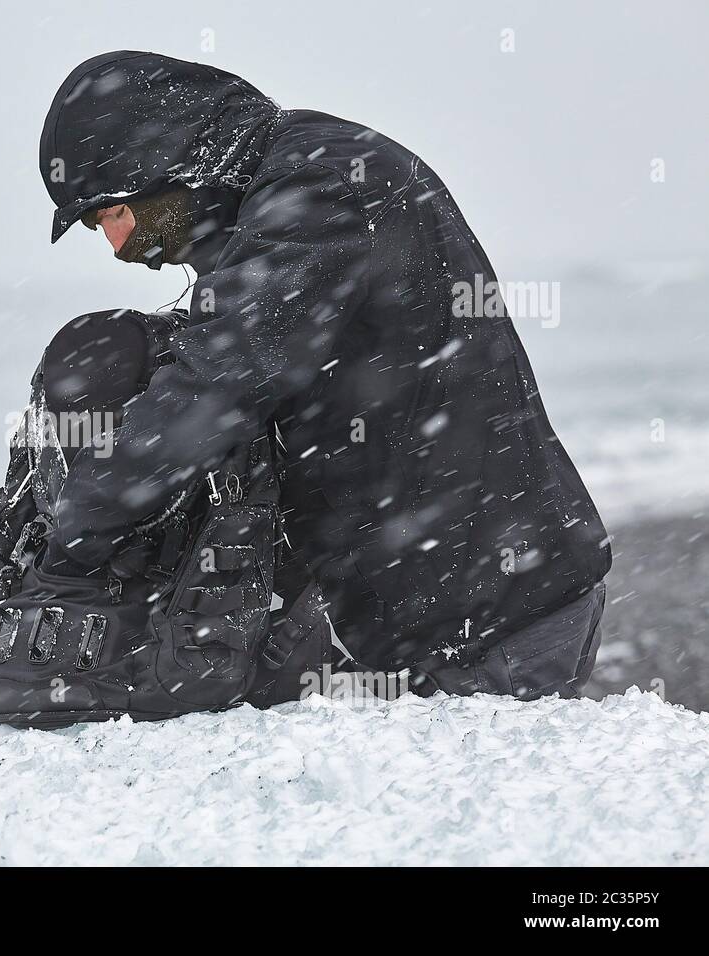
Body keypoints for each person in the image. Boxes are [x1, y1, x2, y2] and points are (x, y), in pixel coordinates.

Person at [38, 51, 610, 699]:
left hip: (489, 621)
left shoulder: (322, 190)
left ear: (167, 161)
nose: (120, 247)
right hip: (458, 600)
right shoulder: (298, 179)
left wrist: (74, 535)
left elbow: (215, 385)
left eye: (112, 213)